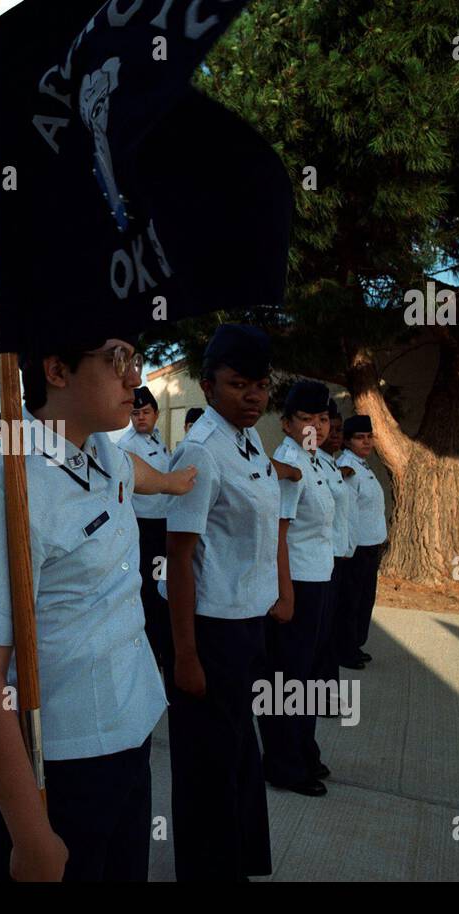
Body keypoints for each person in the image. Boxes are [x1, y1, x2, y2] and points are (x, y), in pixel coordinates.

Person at [0, 333, 196, 881]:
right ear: (56, 369)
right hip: (56, 765)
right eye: (118, 362)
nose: (136, 379)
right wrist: (31, 835)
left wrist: (180, 483)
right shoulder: (7, 489)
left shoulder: (103, 454)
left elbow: (138, 476)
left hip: (127, 736)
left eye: (137, 359)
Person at [162, 323, 282, 881]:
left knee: (238, 753)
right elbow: (179, 557)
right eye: (239, 385)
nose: (253, 396)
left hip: (246, 626)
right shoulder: (202, 451)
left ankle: (239, 860)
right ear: (208, 387)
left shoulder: (249, 439)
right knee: (207, 763)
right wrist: (185, 655)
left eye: (260, 384)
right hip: (209, 632)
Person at [258, 380, 335, 797]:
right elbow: (278, 535)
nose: (316, 426)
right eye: (305, 418)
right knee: (287, 679)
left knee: (307, 678)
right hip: (297, 584)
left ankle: (304, 750)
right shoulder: (288, 464)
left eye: (322, 418)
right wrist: (284, 594)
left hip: (319, 580)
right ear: (286, 423)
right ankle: (283, 764)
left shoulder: (317, 460)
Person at [117, 385, 173, 672]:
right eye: (135, 413)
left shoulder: (158, 441)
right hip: (143, 530)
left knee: (162, 587)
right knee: (149, 592)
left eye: (146, 412)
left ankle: (161, 643)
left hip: (162, 528)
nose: (140, 418)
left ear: (156, 414)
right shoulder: (126, 446)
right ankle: (151, 652)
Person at [337, 415, 387, 668]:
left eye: (369, 436)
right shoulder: (348, 467)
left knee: (364, 599)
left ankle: (355, 645)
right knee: (351, 601)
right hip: (356, 549)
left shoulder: (363, 465)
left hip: (370, 546)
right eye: (359, 438)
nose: (366, 442)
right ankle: (346, 650)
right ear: (347, 441)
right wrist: (348, 546)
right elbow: (347, 513)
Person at [317, 401, 356, 702]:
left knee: (329, 630)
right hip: (319, 560)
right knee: (320, 635)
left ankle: (327, 695)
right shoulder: (312, 460)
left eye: (340, 429)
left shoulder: (329, 462)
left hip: (335, 558)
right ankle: (323, 696)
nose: (335, 434)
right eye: (333, 427)